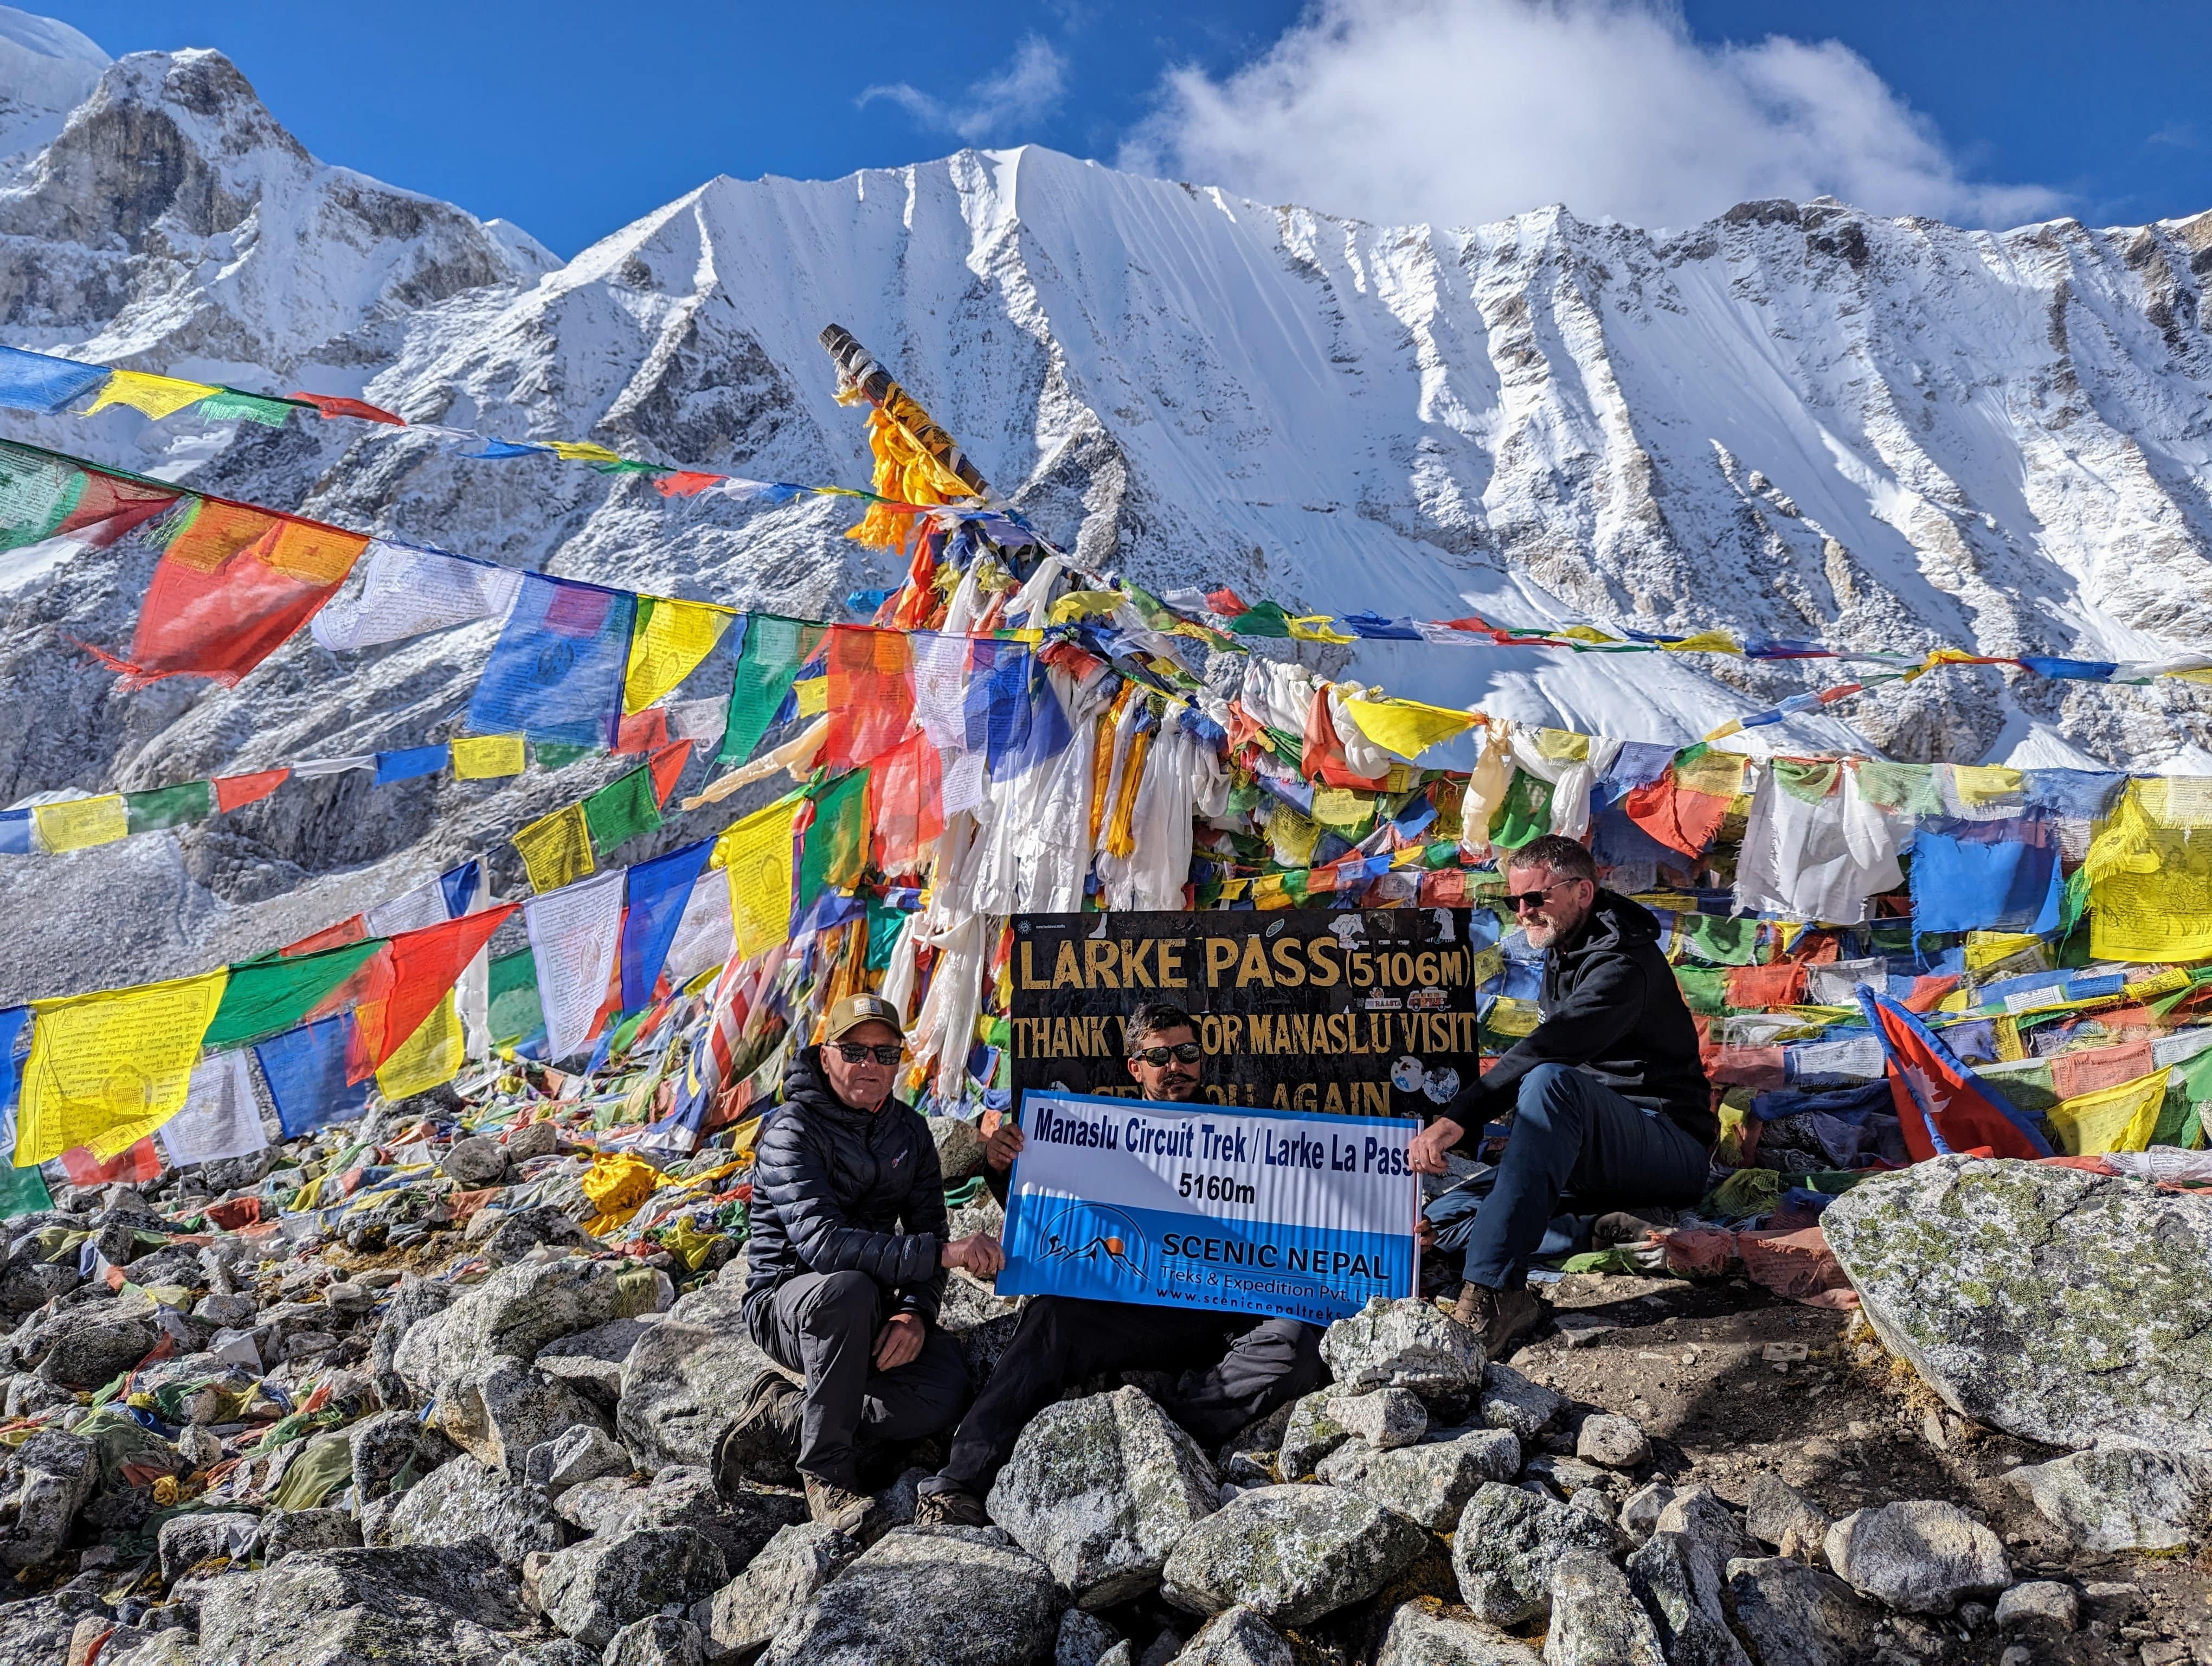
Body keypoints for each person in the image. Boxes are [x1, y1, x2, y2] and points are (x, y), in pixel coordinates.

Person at [912, 1001, 1324, 1527]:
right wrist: (1003, 1168)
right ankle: (960, 1481)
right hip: (1137, 1309)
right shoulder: (1098, 1134)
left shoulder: (1250, 1135)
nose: (1175, 1066)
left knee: (1296, 1346)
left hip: (1225, 1312)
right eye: (1158, 1057)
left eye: (1186, 1053)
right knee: (1050, 1317)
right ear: (1135, 1068)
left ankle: (1155, 1429)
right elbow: (1049, 1222)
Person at [1408, 834, 1713, 1355]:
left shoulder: (1622, 965)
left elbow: (1549, 1047)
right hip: (1593, 1152)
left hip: (1664, 1143)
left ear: (1582, 892)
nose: (1523, 912)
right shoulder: (1564, 945)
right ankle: (1594, 1229)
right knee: (1436, 1226)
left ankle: (1496, 1290)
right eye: (1515, 901)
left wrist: (1458, 1117)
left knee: (1549, 1081)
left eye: (1535, 898)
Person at [723, 992, 1004, 1532]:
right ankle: (825, 1470)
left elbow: (928, 1229)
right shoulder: (790, 1132)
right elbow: (824, 1246)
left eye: (885, 1054)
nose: (870, 1065)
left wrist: (914, 1313)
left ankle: (784, 1413)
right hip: (789, 1304)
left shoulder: (909, 1131)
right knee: (845, 1288)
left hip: (873, 1304)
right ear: (826, 1054)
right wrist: (946, 1256)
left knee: (945, 1388)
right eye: (854, 1052)